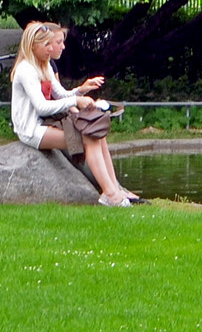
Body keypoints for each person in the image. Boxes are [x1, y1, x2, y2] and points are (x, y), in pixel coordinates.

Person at [9, 21, 140, 206]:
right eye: (46, 44)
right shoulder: (26, 70)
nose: (50, 49)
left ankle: (114, 190)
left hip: (46, 123)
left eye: (50, 43)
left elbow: (60, 94)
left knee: (97, 134)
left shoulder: (44, 65)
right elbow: (41, 107)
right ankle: (110, 193)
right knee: (89, 138)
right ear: (33, 45)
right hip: (31, 130)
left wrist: (81, 90)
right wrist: (76, 101)